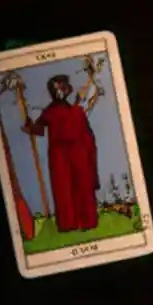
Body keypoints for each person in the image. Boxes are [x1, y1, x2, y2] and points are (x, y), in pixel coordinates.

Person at [23, 75, 99, 233]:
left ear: (67, 89)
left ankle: (87, 221)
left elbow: (83, 132)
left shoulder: (76, 110)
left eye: (62, 88)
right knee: (62, 188)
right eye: (55, 89)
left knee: (83, 185)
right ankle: (67, 223)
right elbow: (39, 129)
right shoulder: (50, 111)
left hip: (78, 152)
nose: (59, 92)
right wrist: (29, 126)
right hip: (58, 155)